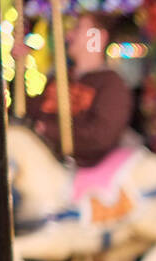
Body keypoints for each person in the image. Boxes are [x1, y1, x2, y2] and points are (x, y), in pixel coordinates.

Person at [26, 12, 134, 167]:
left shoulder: (112, 84)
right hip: (48, 166)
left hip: (86, 174)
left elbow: (100, 137)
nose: (69, 35)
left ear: (97, 37)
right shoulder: (60, 78)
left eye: (77, 28)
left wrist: (48, 130)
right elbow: (32, 111)